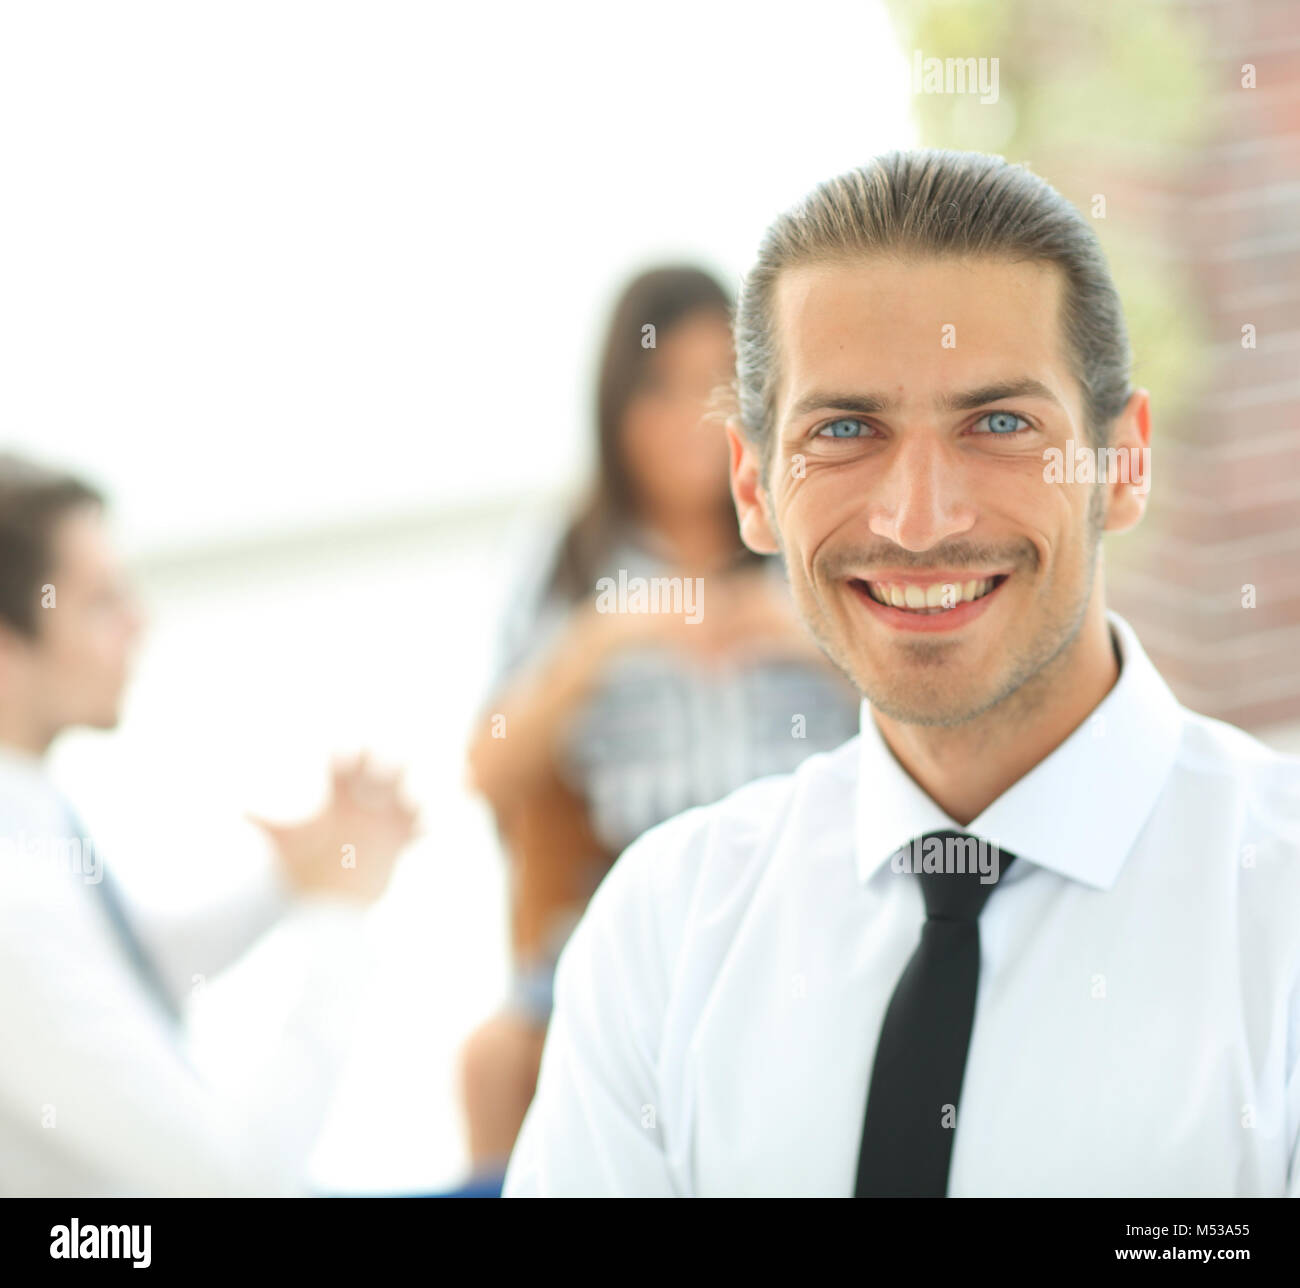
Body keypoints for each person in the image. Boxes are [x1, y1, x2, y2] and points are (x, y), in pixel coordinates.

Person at [502, 150, 1300, 1197]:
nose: (918, 519)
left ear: (1124, 463)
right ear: (754, 486)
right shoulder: (661, 931)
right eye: (844, 430)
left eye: (999, 423)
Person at [459, 266, 862, 1179]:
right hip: (626, 894)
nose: (693, 417)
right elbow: (486, 771)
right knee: (492, 1062)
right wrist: (600, 643)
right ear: (617, 408)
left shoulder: (806, 540)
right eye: (664, 389)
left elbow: (932, 715)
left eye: (716, 385)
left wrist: (801, 636)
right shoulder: (568, 560)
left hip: (807, 882)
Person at [0, 454, 418, 1196]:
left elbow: (117, 977)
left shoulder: (26, 809)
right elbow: (230, 1179)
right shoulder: (14, 901)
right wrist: (339, 912)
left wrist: (291, 879)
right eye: (101, 603)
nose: (139, 620)